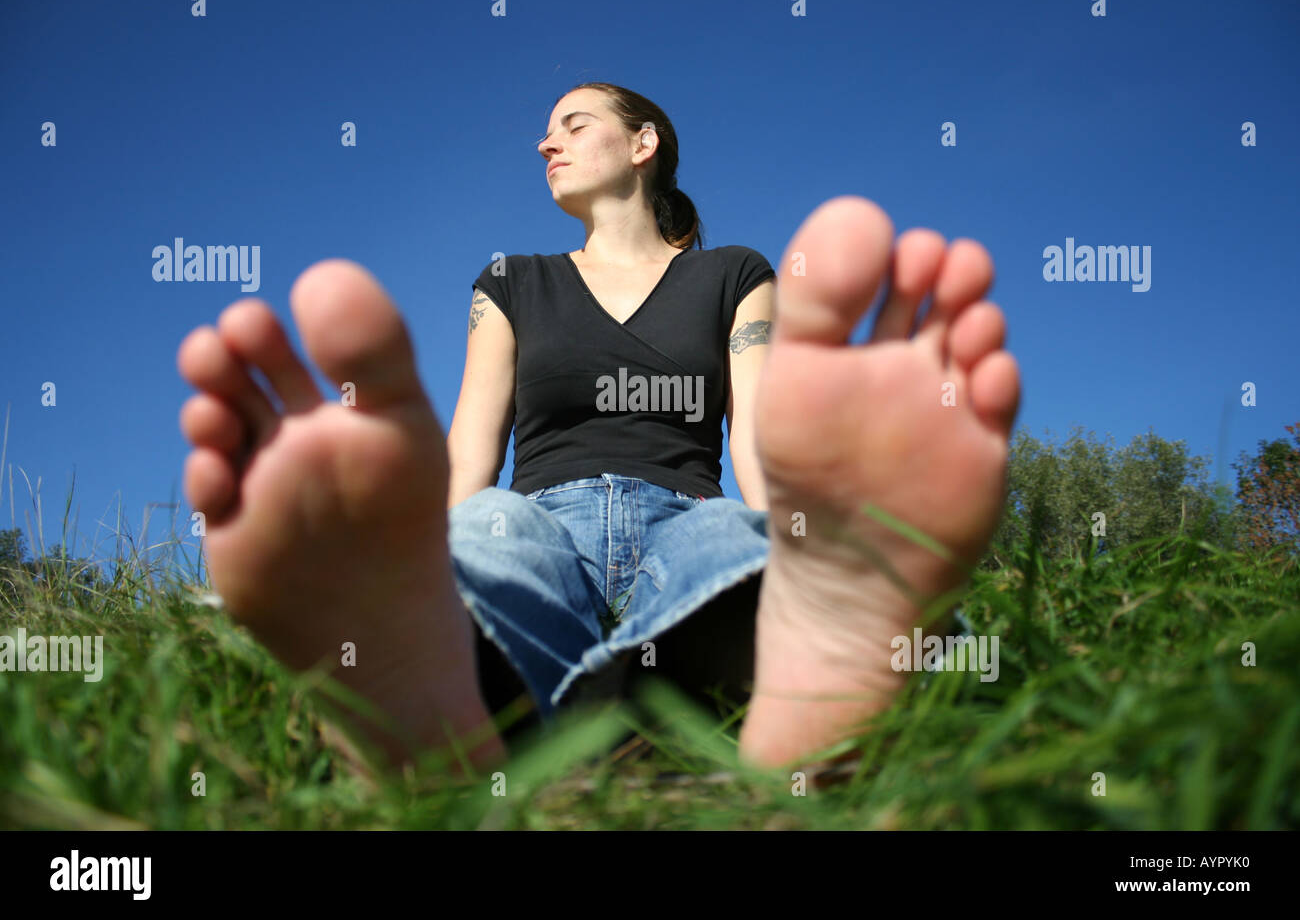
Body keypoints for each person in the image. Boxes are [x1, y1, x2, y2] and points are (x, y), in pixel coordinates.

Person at [175, 82, 1021, 774]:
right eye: (545, 134)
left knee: (731, 539)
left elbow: (761, 438)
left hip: (685, 508)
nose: (547, 144)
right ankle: (422, 673)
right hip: (542, 511)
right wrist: (415, 553)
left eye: (572, 125)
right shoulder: (511, 283)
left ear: (643, 143)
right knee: (488, 531)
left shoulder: (734, 275)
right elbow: (476, 440)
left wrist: (797, 531)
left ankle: (812, 643)